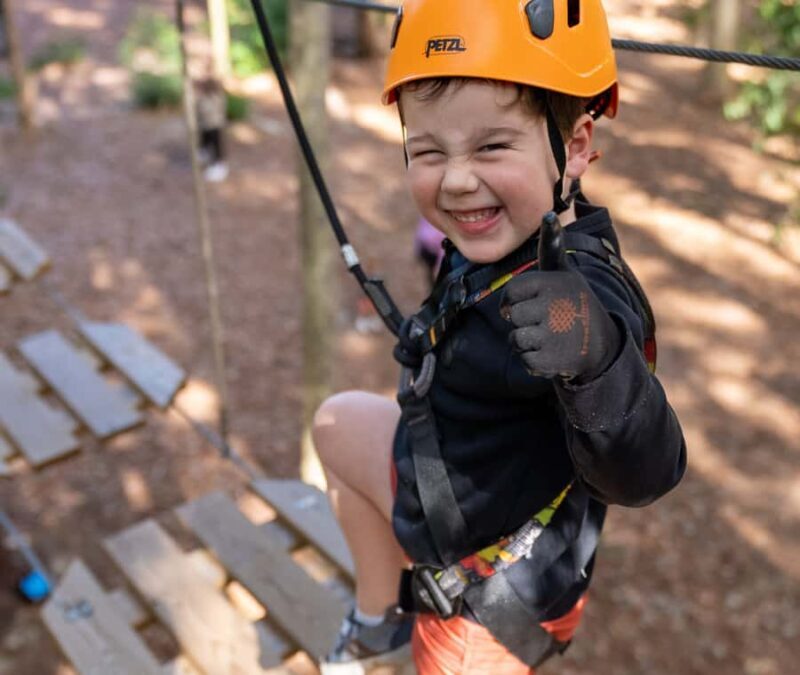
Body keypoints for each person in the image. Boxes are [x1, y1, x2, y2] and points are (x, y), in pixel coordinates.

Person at [312, 1, 687, 673]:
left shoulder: (577, 303)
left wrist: (597, 361)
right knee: (336, 423)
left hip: (490, 602)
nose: (456, 179)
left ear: (572, 148)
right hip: (450, 481)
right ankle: (376, 620)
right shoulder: (501, 232)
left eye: (491, 146)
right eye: (427, 150)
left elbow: (646, 469)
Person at [195, 72, 228, 183]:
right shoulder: (206, 98)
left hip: (214, 125)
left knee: (215, 145)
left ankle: (218, 165)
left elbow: (206, 111)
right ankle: (206, 156)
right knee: (206, 141)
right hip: (207, 125)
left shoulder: (214, 98)